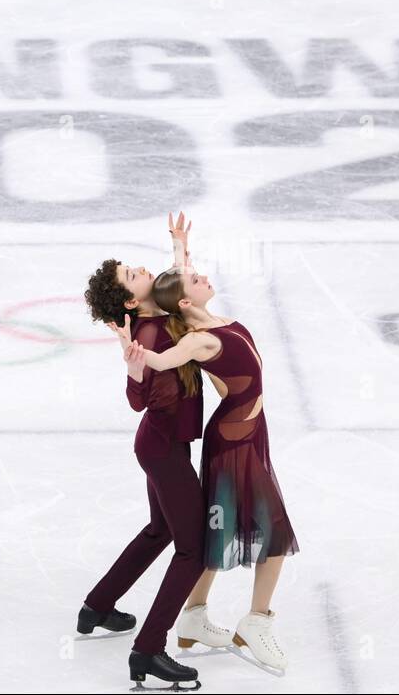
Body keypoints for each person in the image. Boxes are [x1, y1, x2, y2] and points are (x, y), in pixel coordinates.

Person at [110, 260, 299, 671]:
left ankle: (194, 613)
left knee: (219, 527)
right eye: (195, 280)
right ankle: (256, 622)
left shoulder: (214, 319)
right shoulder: (196, 340)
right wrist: (134, 356)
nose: (203, 276)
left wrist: (180, 248)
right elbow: (164, 360)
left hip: (248, 432)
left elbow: (175, 282)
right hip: (235, 439)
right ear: (183, 298)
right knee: (271, 531)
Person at [78, 213, 217, 690]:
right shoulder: (148, 334)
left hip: (163, 444)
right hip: (161, 448)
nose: (142, 269)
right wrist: (134, 370)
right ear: (129, 299)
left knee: (161, 530)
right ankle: (149, 649)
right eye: (132, 274)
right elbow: (138, 400)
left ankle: (97, 605)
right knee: (194, 547)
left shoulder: (156, 314)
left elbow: (177, 288)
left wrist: (181, 249)